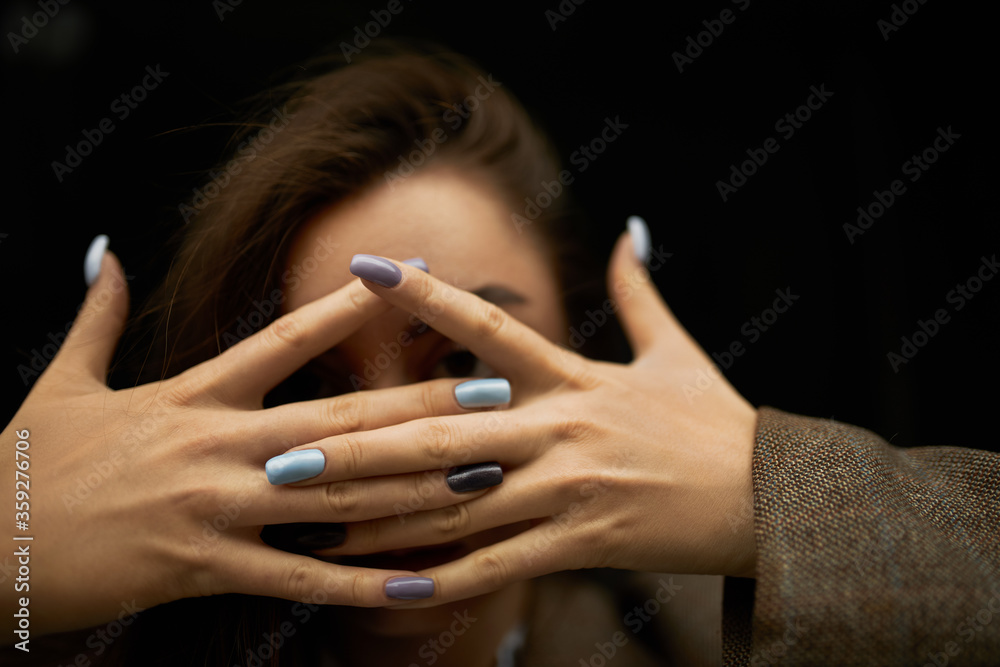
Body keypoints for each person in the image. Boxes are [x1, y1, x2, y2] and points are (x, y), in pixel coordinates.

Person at [2, 41, 998, 667]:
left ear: (582, 349)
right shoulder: (65, 625)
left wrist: (764, 491)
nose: (385, 451)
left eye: (462, 365)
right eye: (308, 383)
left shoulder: (703, 631)